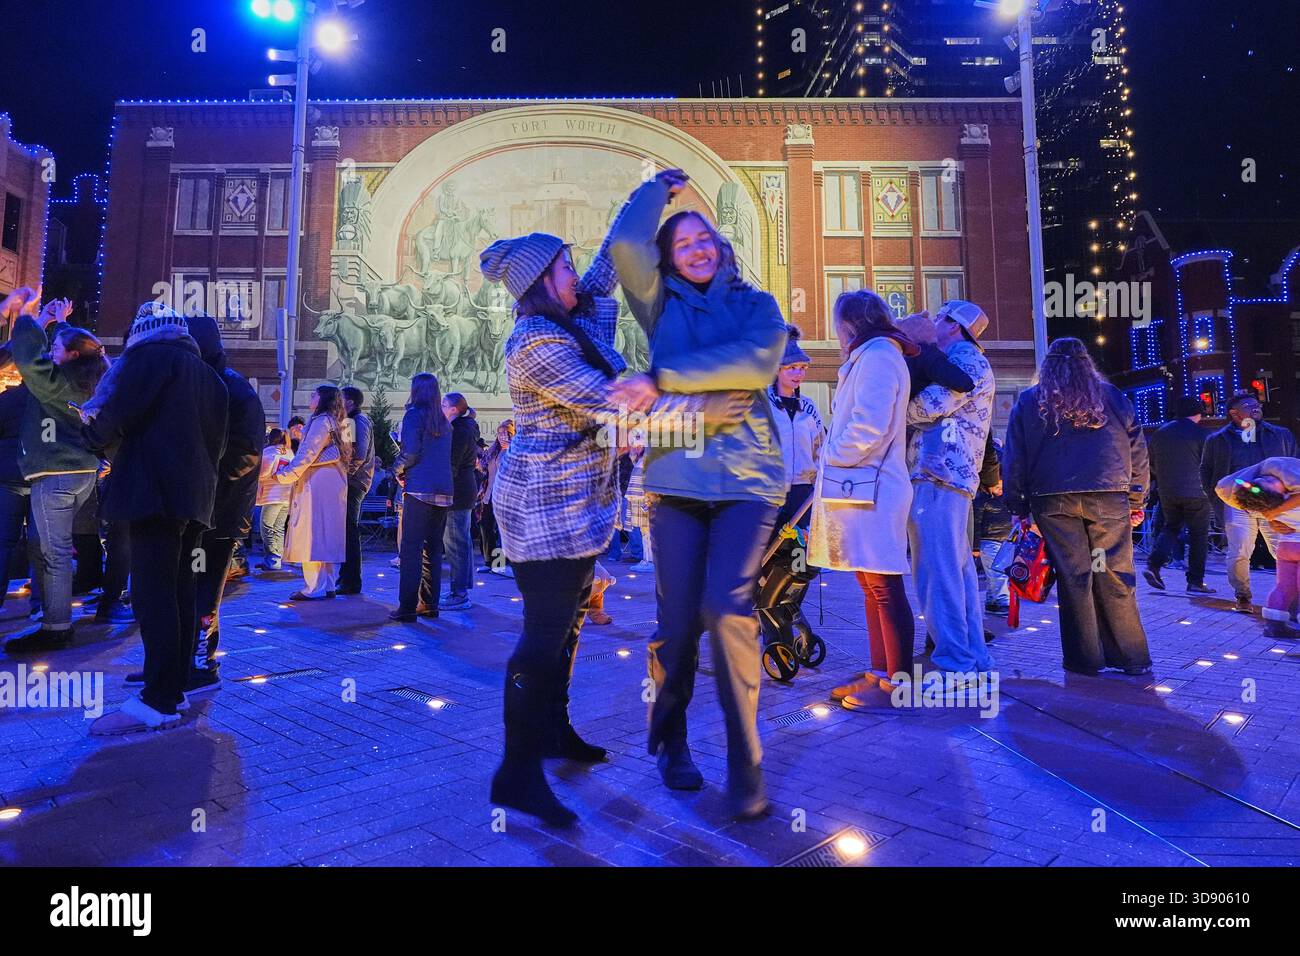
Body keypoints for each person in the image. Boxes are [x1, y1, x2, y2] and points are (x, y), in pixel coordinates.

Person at [480, 214, 743, 826]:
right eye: (563, 267)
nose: (576, 274)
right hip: (542, 508)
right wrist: (704, 413)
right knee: (542, 640)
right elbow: (614, 407)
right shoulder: (540, 344)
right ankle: (515, 772)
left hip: (575, 509)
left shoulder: (572, 323)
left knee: (569, 626)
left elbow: (602, 268)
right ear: (544, 281)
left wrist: (651, 198)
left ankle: (553, 731)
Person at [610, 167, 787, 819]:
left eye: (703, 238)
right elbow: (627, 248)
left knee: (728, 608)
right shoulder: (659, 304)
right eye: (682, 246)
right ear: (669, 261)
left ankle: (747, 760)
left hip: (748, 481)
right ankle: (671, 738)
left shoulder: (754, 304)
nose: (697, 250)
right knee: (676, 624)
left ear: (721, 244)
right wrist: (654, 191)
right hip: (677, 481)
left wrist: (661, 379)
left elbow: (756, 364)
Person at [79, 302, 228, 732]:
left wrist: (89, 432)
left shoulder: (150, 358)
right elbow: (217, 445)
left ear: (142, 333)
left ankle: (158, 699)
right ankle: (173, 687)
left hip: (152, 492)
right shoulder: (210, 378)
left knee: (152, 594)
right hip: (193, 497)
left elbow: (117, 413)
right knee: (179, 591)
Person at [1003, 337, 1151, 675]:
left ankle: (1084, 660)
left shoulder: (1029, 401)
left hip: (1052, 499)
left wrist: (1018, 504)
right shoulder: (1112, 397)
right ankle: (1132, 657)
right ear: (1087, 364)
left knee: (1075, 577)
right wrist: (1136, 498)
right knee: (1114, 574)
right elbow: (1138, 450)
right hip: (1108, 497)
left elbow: (1016, 457)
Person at [808, 291, 919, 711]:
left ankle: (898, 684)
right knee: (871, 583)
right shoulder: (872, 356)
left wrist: (829, 455)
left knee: (884, 584)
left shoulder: (877, 358)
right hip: (863, 488)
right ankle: (881, 673)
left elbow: (867, 427)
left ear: (849, 324)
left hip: (873, 488)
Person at [4, 290, 109, 653]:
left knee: (54, 551)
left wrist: (28, 315)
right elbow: (70, 348)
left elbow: (32, 361)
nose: (52, 352)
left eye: (57, 349)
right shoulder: (88, 381)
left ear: (72, 356)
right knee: (48, 546)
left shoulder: (58, 382)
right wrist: (59, 323)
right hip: (80, 473)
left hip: (56, 474)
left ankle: (56, 626)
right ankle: (54, 618)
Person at [904, 300, 996, 676]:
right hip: (952, 478)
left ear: (955, 326)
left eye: (939, 318)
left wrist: (898, 402)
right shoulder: (969, 358)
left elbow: (924, 409)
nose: (933, 323)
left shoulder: (963, 358)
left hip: (939, 474)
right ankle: (973, 657)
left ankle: (953, 664)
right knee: (956, 574)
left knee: (936, 573)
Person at [186, 313, 265, 692]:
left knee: (205, 587)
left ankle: (203, 661)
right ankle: (181, 659)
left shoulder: (229, 389)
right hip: (205, 509)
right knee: (190, 583)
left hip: (216, 514)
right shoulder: (214, 383)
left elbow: (244, 455)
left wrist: (205, 485)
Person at [1200, 392, 1298, 612]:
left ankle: (1289, 594)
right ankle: (1242, 594)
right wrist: (1217, 502)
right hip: (1239, 502)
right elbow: (1206, 472)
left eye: (1257, 404)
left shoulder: (1281, 434)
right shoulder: (1217, 440)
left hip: (1274, 501)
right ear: (1234, 413)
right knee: (1240, 548)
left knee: (1283, 546)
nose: (1255, 407)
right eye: (1248, 405)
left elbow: (1293, 461)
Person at [275, 385, 350, 600]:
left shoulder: (320, 422)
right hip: (335, 483)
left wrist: (285, 474)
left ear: (323, 399)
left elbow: (307, 454)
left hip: (316, 484)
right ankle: (328, 584)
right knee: (329, 533)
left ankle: (313, 587)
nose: (311, 397)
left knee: (313, 532)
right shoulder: (344, 422)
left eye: (315, 394)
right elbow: (346, 454)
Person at [389, 372, 453, 623]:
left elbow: (411, 453)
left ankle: (406, 607)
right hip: (444, 490)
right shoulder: (444, 421)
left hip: (419, 490)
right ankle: (429, 604)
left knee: (411, 548)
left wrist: (395, 469)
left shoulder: (414, 415)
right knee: (434, 549)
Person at [1215, 458, 1300, 637]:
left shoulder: (1275, 506)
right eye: (1271, 483)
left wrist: (1272, 516)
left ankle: (1274, 624)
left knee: (1284, 586)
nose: (1272, 478)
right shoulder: (1290, 499)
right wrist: (1273, 515)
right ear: (1282, 494)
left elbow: (1224, 487)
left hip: (1286, 547)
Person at [1144, 397, 1215, 595]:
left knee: (1171, 527)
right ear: (1198, 413)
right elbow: (1210, 464)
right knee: (1198, 536)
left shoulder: (1160, 433)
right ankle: (1195, 582)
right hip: (1197, 492)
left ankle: (1153, 564)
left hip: (1168, 492)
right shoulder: (1203, 434)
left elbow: (1151, 462)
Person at [767, 323, 824, 532]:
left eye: (802, 367)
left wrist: (817, 483)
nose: (798, 373)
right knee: (769, 555)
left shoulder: (809, 408)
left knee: (802, 553)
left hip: (803, 492)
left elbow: (819, 448)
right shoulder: (761, 405)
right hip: (770, 491)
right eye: (792, 368)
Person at [440, 391, 480, 610]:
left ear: (454, 409)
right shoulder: (465, 428)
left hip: (457, 492)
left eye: (444, 405)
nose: (441, 408)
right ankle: (462, 589)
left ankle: (460, 594)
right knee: (460, 541)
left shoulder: (459, 431)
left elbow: (451, 464)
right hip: (463, 490)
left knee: (456, 543)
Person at [338, 386, 375, 595]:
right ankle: (345, 577)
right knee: (345, 530)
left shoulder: (357, 421)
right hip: (350, 481)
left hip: (354, 483)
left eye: (340, 399)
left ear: (350, 402)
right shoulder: (347, 421)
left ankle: (351, 580)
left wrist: (344, 475)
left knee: (349, 530)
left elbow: (358, 454)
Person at [974, 436, 1014, 615]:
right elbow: (975, 522)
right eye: (997, 486)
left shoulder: (1006, 498)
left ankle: (992, 601)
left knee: (996, 574)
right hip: (988, 541)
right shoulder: (982, 499)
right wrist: (974, 546)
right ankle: (1000, 601)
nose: (999, 489)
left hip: (1004, 540)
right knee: (997, 573)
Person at [476, 420, 514, 573]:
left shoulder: (514, 451)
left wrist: (508, 450)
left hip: (505, 497)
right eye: (499, 433)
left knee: (501, 531)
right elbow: (483, 467)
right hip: (489, 495)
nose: (502, 437)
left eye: (505, 433)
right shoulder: (493, 451)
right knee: (486, 527)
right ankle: (489, 561)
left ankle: (501, 564)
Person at [257, 428, 293, 569]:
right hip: (286, 495)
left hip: (272, 495)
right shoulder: (290, 453)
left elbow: (263, 473)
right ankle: (277, 558)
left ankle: (272, 559)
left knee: (266, 525)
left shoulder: (270, 451)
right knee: (278, 527)